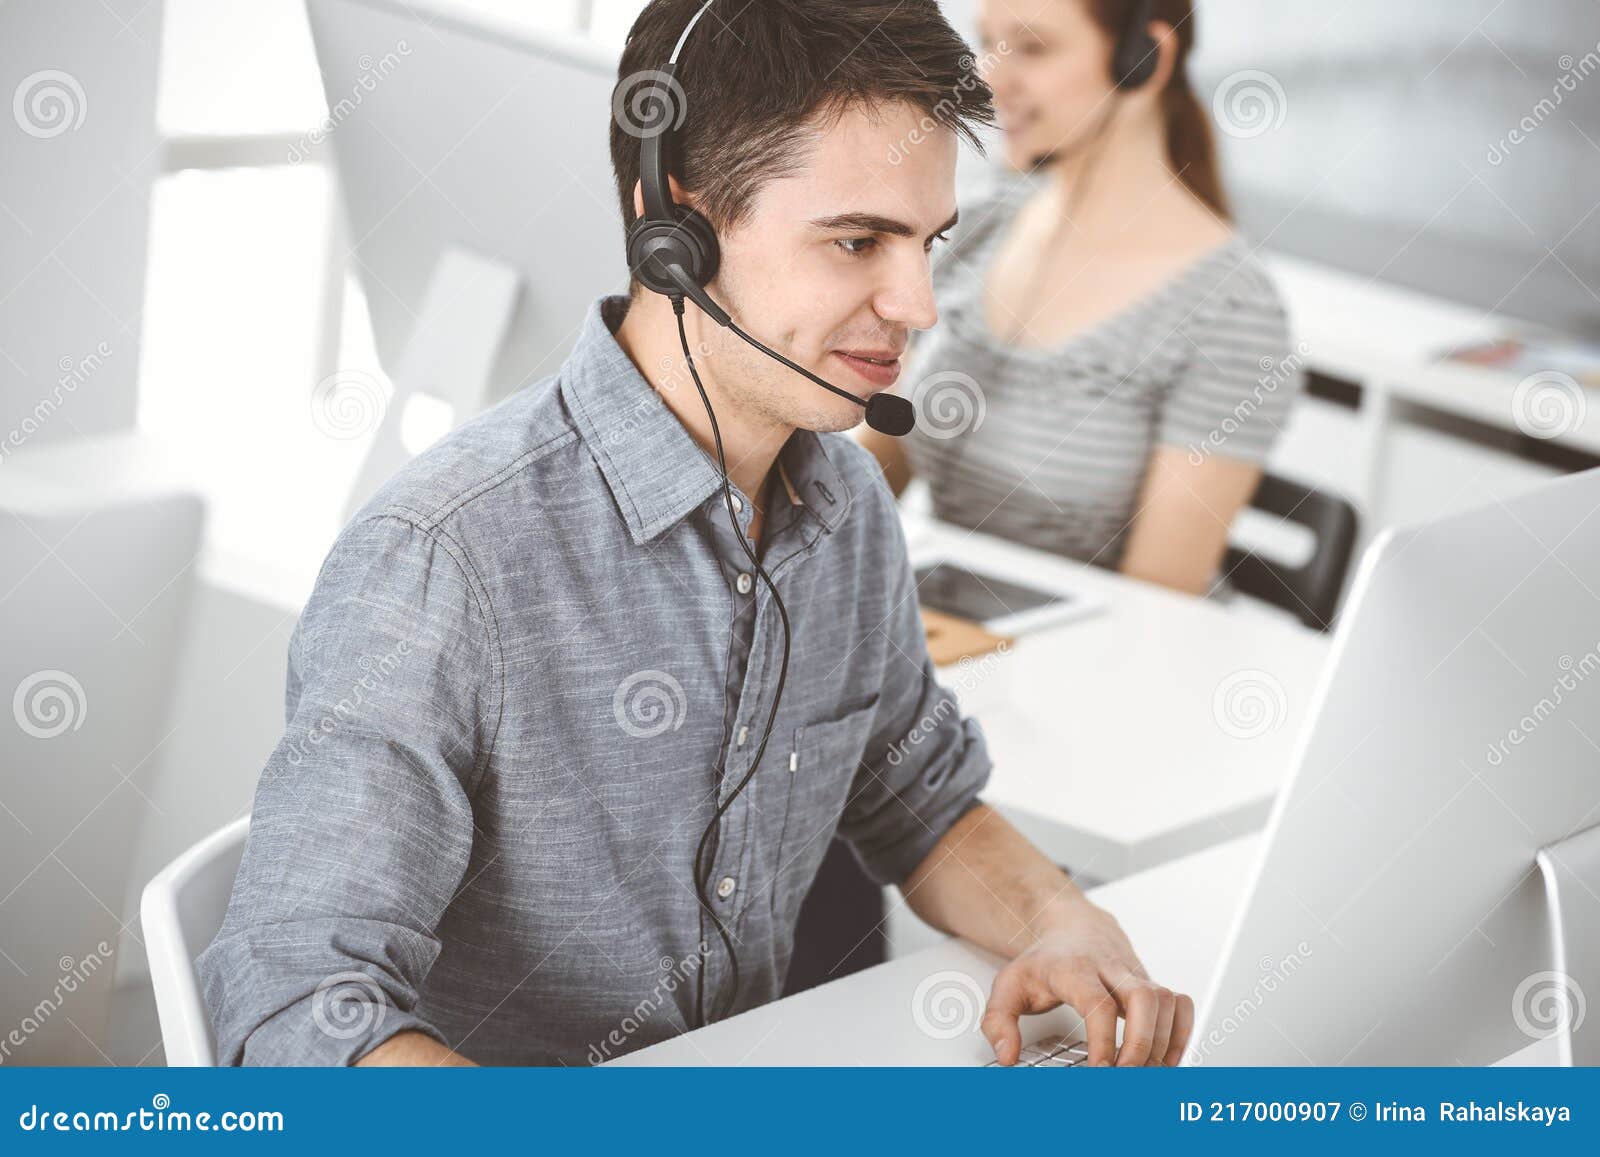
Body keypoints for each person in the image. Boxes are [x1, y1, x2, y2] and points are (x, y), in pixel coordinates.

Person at [197, 0, 1193, 1068]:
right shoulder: (446, 557)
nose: (916, 304)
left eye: (927, 244)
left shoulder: (847, 513)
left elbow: (919, 801)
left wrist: (1061, 920)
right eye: (857, 240)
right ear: (674, 232)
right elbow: (298, 999)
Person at [861, 0, 1304, 596]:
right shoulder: (979, 228)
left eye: (1034, 48)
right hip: (944, 625)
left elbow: (1156, 602)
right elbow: (875, 473)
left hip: (1092, 660)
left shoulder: (1230, 312)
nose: (990, 76)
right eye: (988, 43)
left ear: (1144, 58)